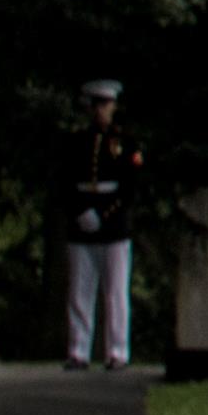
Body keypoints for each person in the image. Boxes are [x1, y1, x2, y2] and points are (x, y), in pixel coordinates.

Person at [53, 80, 142, 369]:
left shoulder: (125, 142)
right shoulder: (75, 142)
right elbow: (65, 181)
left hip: (114, 224)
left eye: (106, 105)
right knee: (80, 290)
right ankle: (78, 349)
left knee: (116, 291)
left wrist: (105, 215)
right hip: (82, 222)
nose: (102, 111)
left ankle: (117, 351)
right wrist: (79, 211)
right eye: (98, 105)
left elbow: (129, 186)